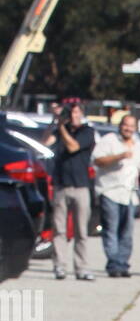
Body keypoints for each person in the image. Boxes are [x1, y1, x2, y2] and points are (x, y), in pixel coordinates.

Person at [92, 113, 140, 276]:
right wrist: (119, 156)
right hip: (110, 191)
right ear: (120, 125)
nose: (128, 129)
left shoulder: (137, 144)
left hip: (129, 194)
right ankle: (113, 264)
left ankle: (123, 264)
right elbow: (97, 160)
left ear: (135, 128)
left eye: (131, 126)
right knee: (111, 229)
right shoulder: (109, 140)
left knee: (127, 231)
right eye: (125, 125)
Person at [44, 99, 95, 281]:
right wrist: (54, 121)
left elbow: (73, 147)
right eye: (70, 113)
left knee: (81, 231)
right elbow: (45, 143)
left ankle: (82, 268)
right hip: (61, 186)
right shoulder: (59, 130)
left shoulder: (87, 132)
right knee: (59, 229)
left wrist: (62, 129)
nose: (72, 116)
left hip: (81, 186)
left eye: (75, 113)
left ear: (81, 114)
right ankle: (60, 266)